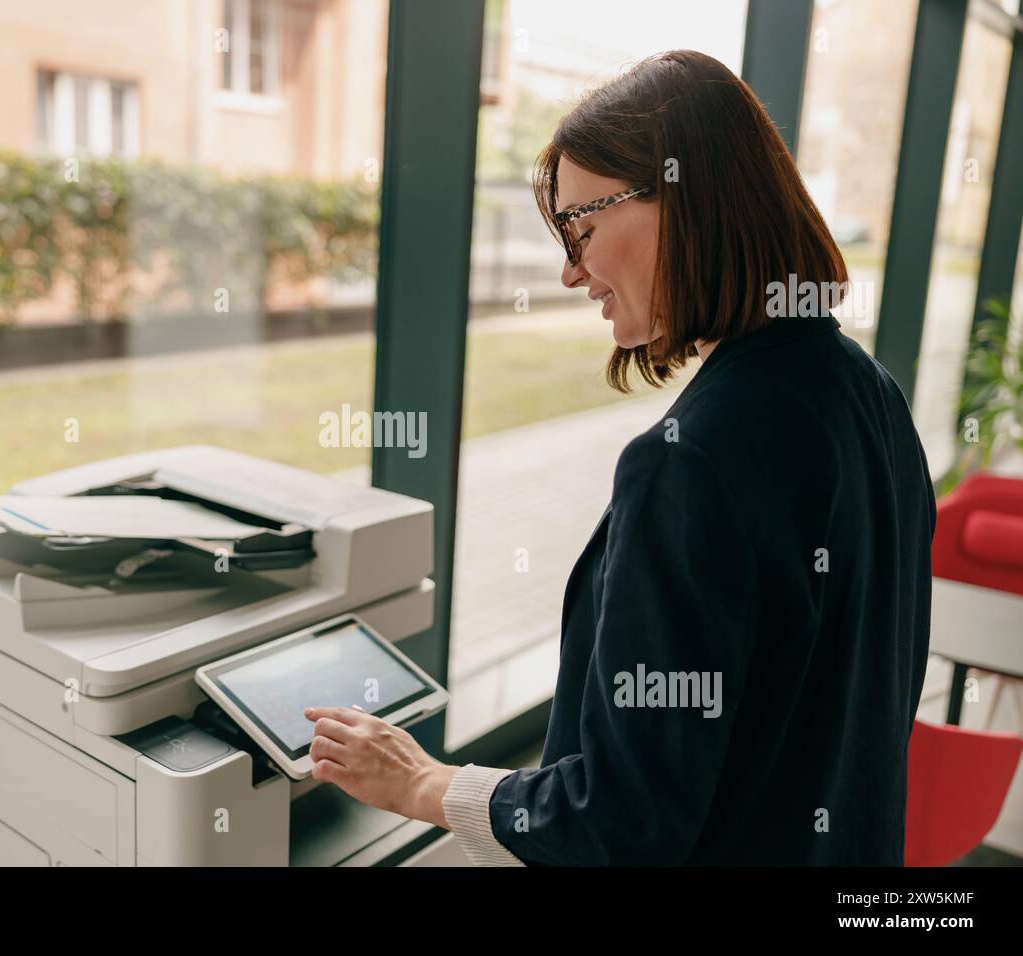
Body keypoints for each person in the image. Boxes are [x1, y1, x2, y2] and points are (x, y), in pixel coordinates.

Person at [304, 49, 935, 865]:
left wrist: (421, 783)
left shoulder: (691, 461)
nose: (572, 271)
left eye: (583, 227)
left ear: (686, 199)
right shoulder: (869, 393)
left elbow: (621, 822)